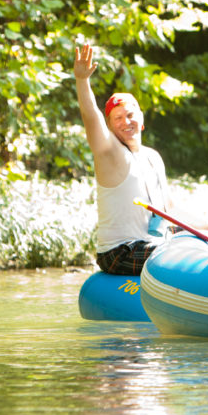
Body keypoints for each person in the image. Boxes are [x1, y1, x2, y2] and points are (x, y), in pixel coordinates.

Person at [74, 44, 171, 276]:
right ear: (109, 127)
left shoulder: (153, 157)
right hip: (119, 252)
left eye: (130, 115)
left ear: (141, 119)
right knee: (171, 252)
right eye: (117, 118)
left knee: (187, 243)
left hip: (150, 244)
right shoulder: (111, 153)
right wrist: (82, 81)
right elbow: (91, 116)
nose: (125, 122)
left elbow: (169, 210)